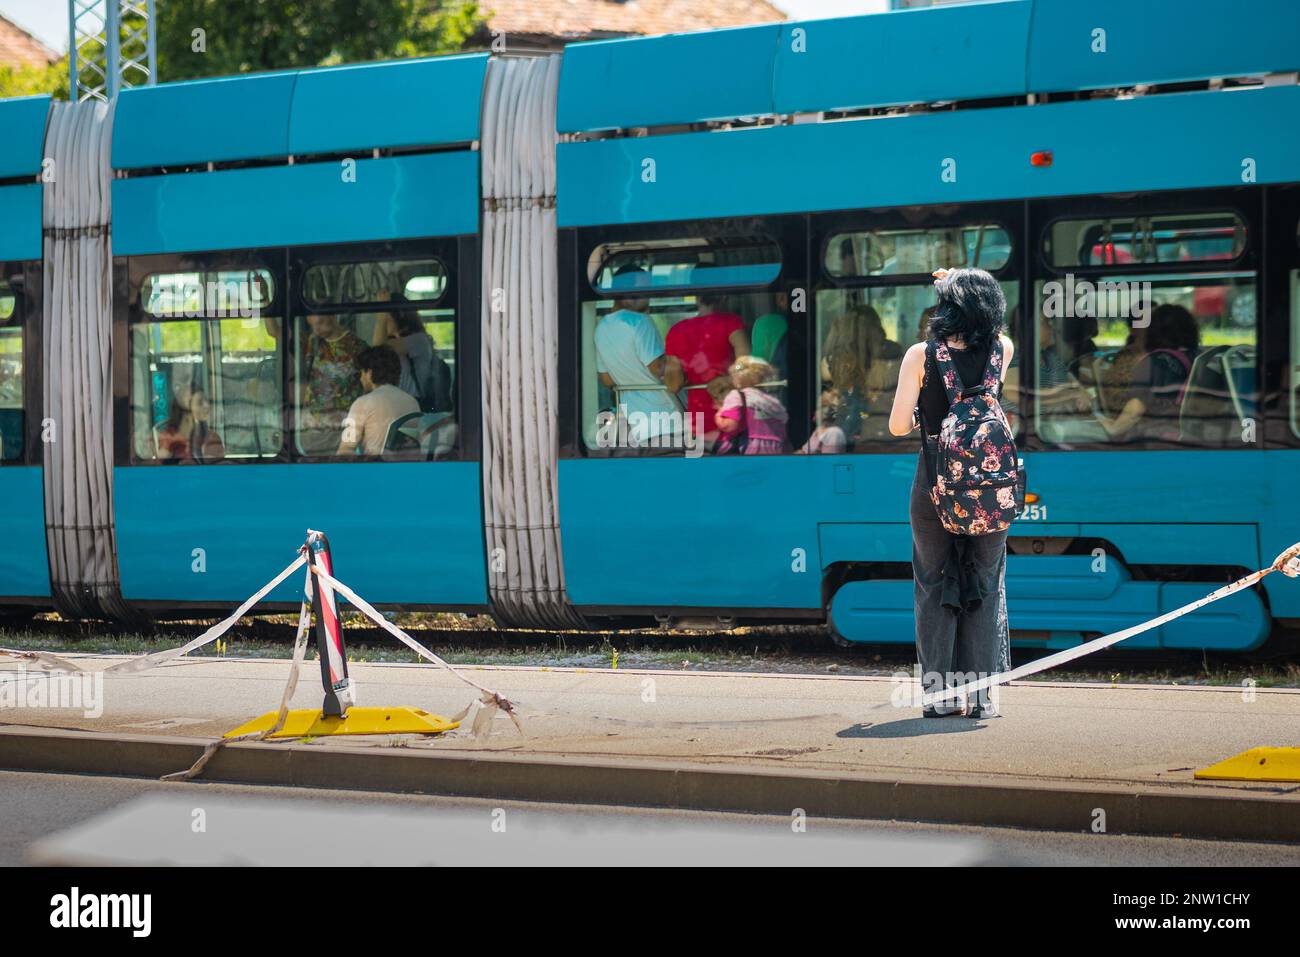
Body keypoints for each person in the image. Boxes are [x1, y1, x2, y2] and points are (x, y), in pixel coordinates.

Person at [888, 267, 1014, 719]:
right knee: (986, 582)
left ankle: (940, 698)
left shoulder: (920, 355)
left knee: (933, 582)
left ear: (945, 305)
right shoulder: (1003, 348)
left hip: (935, 486)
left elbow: (898, 425)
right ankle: (982, 698)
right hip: (991, 488)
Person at [593, 267, 684, 443]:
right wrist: (675, 362)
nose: (649, 295)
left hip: (637, 425)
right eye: (644, 290)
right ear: (626, 293)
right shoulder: (640, 322)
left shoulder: (601, 328)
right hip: (666, 421)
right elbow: (659, 369)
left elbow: (607, 380)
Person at [1100, 303, 1198, 442]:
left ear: (1154, 330)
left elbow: (1134, 412)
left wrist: (1113, 428)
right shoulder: (1196, 357)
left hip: (1155, 441)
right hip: (1188, 436)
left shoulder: (1153, 363)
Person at [665, 294, 750, 441]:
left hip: (698, 422)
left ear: (696, 298)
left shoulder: (676, 331)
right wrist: (729, 380)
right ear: (724, 297)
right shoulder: (731, 323)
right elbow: (746, 362)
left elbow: (673, 385)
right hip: (733, 416)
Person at [369, 293, 453, 412]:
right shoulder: (393, 342)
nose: (383, 323)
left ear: (400, 315)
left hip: (413, 406)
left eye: (387, 315)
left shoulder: (419, 340)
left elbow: (377, 350)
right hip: (396, 405)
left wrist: (381, 313)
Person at [297, 313, 365, 453]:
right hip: (310, 426)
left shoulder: (357, 346)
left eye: (320, 323)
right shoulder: (314, 341)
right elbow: (278, 334)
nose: (316, 330)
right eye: (312, 325)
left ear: (333, 316)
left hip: (341, 426)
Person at [337, 346, 420, 457]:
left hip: (374, 470)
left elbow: (346, 450)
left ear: (369, 373)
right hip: (406, 469)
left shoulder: (363, 403)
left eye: (362, 372)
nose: (361, 378)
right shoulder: (412, 402)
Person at [714, 355, 788, 455]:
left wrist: (718, 415)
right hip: (775, 448)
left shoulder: (737, 396)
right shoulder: (771, 400)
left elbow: (730, 426)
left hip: (750, 448)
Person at [157, 387, 225, 464]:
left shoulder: (212, 438)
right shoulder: (167, 438)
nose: (207, 406)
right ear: (185, 408)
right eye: (199, 403)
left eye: (207, 401)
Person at [798, 389, 847, 454]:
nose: (816, 411)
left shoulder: (834, 432)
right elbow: (803, 452)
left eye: (823, 406)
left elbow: (828, 461)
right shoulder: (818, 430)